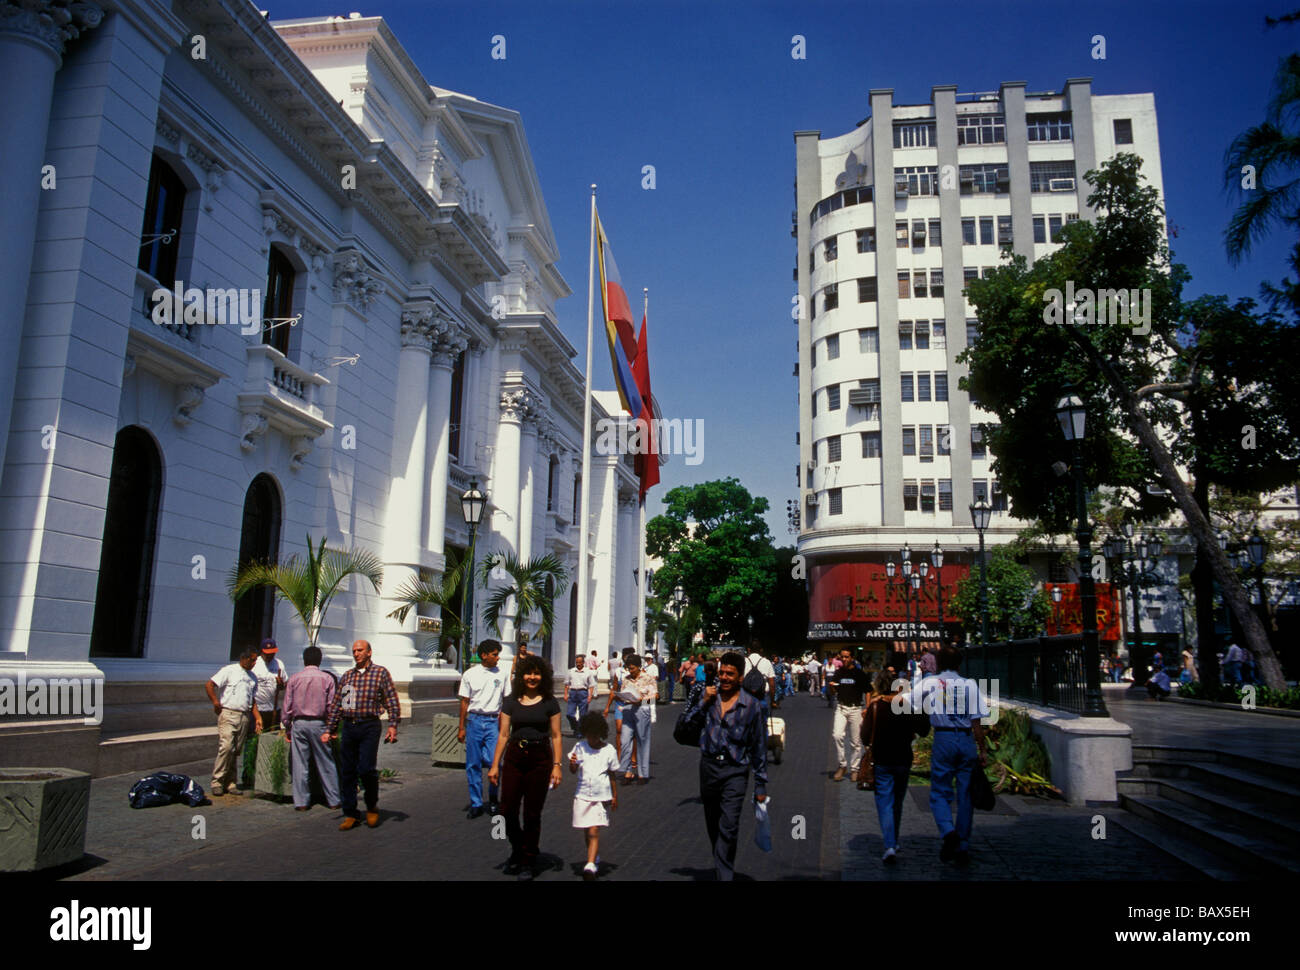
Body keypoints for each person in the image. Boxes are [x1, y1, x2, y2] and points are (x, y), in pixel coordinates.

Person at [679, 651, 768, 881]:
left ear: (740, 677)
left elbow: (759, 746)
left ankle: (724, 874)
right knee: (713, 824)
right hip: (708, 768)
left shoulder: (752, 706)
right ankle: (722, 864)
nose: (725, 677)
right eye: (722, 673)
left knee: (729, 825)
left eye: (730, 674)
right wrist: (703, 703)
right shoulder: (709, 698)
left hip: (735, 770)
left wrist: (760, 784)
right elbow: (685, 726)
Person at [488, 653, 563, 880]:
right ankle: (518, 849)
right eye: (528, 673)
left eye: (536, 673)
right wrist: (494, 765)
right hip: (514, 756)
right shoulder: (511, 701)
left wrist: (557, 766)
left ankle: (528, 860)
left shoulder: (550, 702)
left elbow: (557, 736)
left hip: (540, 758)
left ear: (543, 676)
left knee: (532, 813)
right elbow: (503, 734)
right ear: (521, 676)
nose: (532, 677)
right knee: (506, 809)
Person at [920, 645, 989, 866]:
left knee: (940, 790)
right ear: (960, 664)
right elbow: (977, 723)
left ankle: (948, 831)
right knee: (965, 794)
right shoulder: (970, 685)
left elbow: (910, 705)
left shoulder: (930, 683)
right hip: (966, 739)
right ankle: (963, 843)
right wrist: (982, 749)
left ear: (938, 663)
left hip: (943, 738)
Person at [322, 640, 399, 831]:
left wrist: (393, 725)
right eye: (354, 651)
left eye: (360, 650)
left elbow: (391, 698)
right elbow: (339, 705)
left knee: (366, 768)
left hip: (369, 726)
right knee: (348, 770)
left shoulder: (380, 673)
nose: (356, 654)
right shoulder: (348, 676)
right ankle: (351, 813)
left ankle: (372, 806)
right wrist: (329, 729)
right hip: (350, 726)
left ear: (369, 652)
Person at [860, 669, 930, 863]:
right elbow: (924, 730)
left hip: (881, 761)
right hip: (903, 760)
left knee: (884, 803)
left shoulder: (875, 708)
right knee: (897, 802)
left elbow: (864, 737)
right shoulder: (906, 706)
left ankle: (889, 844)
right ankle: (894, 840)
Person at [282, 646, 341, 811]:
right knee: (326, 762)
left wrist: (287, 727)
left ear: (304, 660)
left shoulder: (294, 679)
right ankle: (334, 799)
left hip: (299, 723)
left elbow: (287, 707)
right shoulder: (327, 679)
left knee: (300, 764)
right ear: (319, 660)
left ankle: (301, 802)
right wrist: (332, 728)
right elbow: (331, 707)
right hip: (319, 724)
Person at [458, 638, 509, 818]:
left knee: (494, 761)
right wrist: (461, 727)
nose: (497, 658)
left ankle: (494, 798)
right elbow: (464, 702)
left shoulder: (502, 674)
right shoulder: (470, 675)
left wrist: (505, 726)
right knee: (473, 763)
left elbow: (506, 701)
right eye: (495, 655)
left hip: (492, 721)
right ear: (484, 655)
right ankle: (476, 803)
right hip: (474, 721)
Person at [568, 710, 619, 880]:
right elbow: (573, 770)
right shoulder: (580, 747)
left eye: (595, 736)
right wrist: (573, 763)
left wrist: (614, 795)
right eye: (589, 736)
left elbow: (612, 774)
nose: (592, 739)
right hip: (582, 793)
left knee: (594, 829)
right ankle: (593, 856)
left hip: (601, 795)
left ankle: (590, 866)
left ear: (601, 734)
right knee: (586, 828)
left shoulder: (609, 750)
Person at [205, 648, 261, 796]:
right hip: (228, 713)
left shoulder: (253, 678)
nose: (254, 663)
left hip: (244, 716)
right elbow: (210, 684)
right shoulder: (229, 670)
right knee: (226, 746)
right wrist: (215, 702)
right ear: (244, 659)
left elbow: (252, 700)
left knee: (235, 750)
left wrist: (258, 718)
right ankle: (217, 781)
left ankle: (231, 782)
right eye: (252, 660)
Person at [828, 648, 873, 783]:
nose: (844, 659)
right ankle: (842, 765)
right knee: (837, 735)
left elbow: (868, 691)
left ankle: (854, 769)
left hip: (856, 708)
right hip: (841, 707)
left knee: (855, 742)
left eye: (847, 657)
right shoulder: (838, 672)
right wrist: (831, 686)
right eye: (842, 657)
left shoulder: (859, 673)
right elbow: (834, 690)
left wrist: (868, 708)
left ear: (852, 658)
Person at [617, 654, 658, 783]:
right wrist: (622, 697)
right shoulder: (626, 679)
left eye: (633, 668)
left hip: (642, 709)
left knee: (642, 740)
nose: (630, 671)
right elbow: (623, 695)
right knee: (625, 740)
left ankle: (643, 773)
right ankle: (627, 771)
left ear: (639, 666)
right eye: (629, 668)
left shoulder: (648, 678)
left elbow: (655, 698)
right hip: (628, 710)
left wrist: (641, 701)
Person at [251, 638, 287, 731]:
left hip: (273, 709)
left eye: (272, 653)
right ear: (262, 652)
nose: (270, 655)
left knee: (272, 739)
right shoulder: (254, 663)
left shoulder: (279, 664)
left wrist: (281, 684)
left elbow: (284, 685)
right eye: (267, 653)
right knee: (255, 738)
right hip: (257, 709)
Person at [563, 654, 597, 737]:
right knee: (569, 714)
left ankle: (580, 731)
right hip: (573, 693)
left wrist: (590, 696)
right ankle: (576, 727)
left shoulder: (588, 672)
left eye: (579, 662)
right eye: (576, 662)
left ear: (583, 663)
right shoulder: (571, 671)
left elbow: (592, 685)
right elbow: (567, 683)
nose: (578, 664)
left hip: (583, 693)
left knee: (583, 714)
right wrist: (565, 694)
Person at [744, 639, 776, 712]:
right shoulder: (766, 662)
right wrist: (773, 701)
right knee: (762, 721)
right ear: (761, 650)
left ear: (749, 650)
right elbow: (772, 684)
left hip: (745, 698)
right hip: (762, 697)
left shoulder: (743, 661)